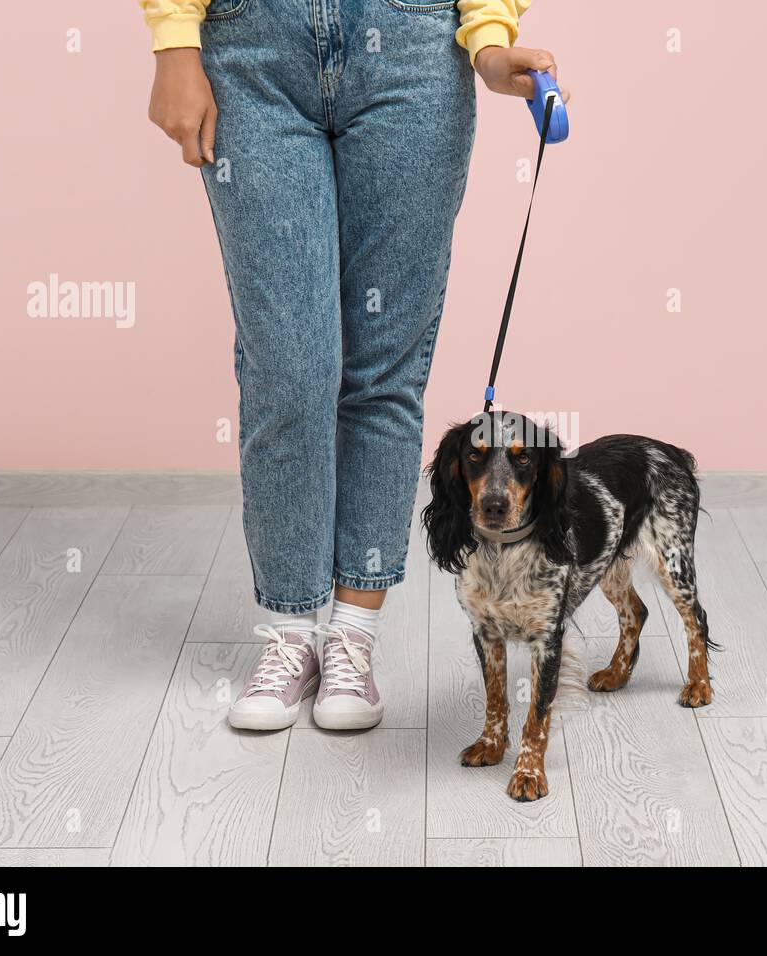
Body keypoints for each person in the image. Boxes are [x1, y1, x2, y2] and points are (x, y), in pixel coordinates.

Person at [141, 0, 563, 731]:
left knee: (382, 370)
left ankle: (352, 641)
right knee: (289, 371)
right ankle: (288, 634)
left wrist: (491, 39)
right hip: (251, 48)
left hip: (414, 48)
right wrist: (174, 41)